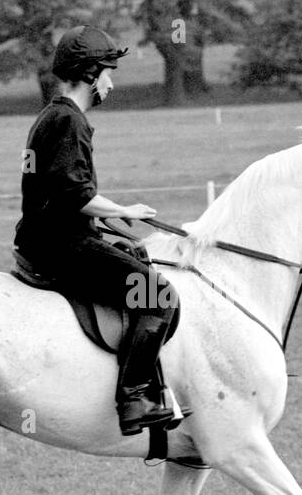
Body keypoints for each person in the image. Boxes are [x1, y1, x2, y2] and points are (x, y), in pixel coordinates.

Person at [14, 26, 183, 437]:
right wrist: (122, 209)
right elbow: (74, 194)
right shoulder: (70, 121)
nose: (111, 80)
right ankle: (133, 397)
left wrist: (112, 218)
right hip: (62, 247)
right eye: (108, 70)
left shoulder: (54, 115)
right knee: (159, 297)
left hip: (49, 237)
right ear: (89, 73)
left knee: (138, 258)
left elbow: (64, 190)